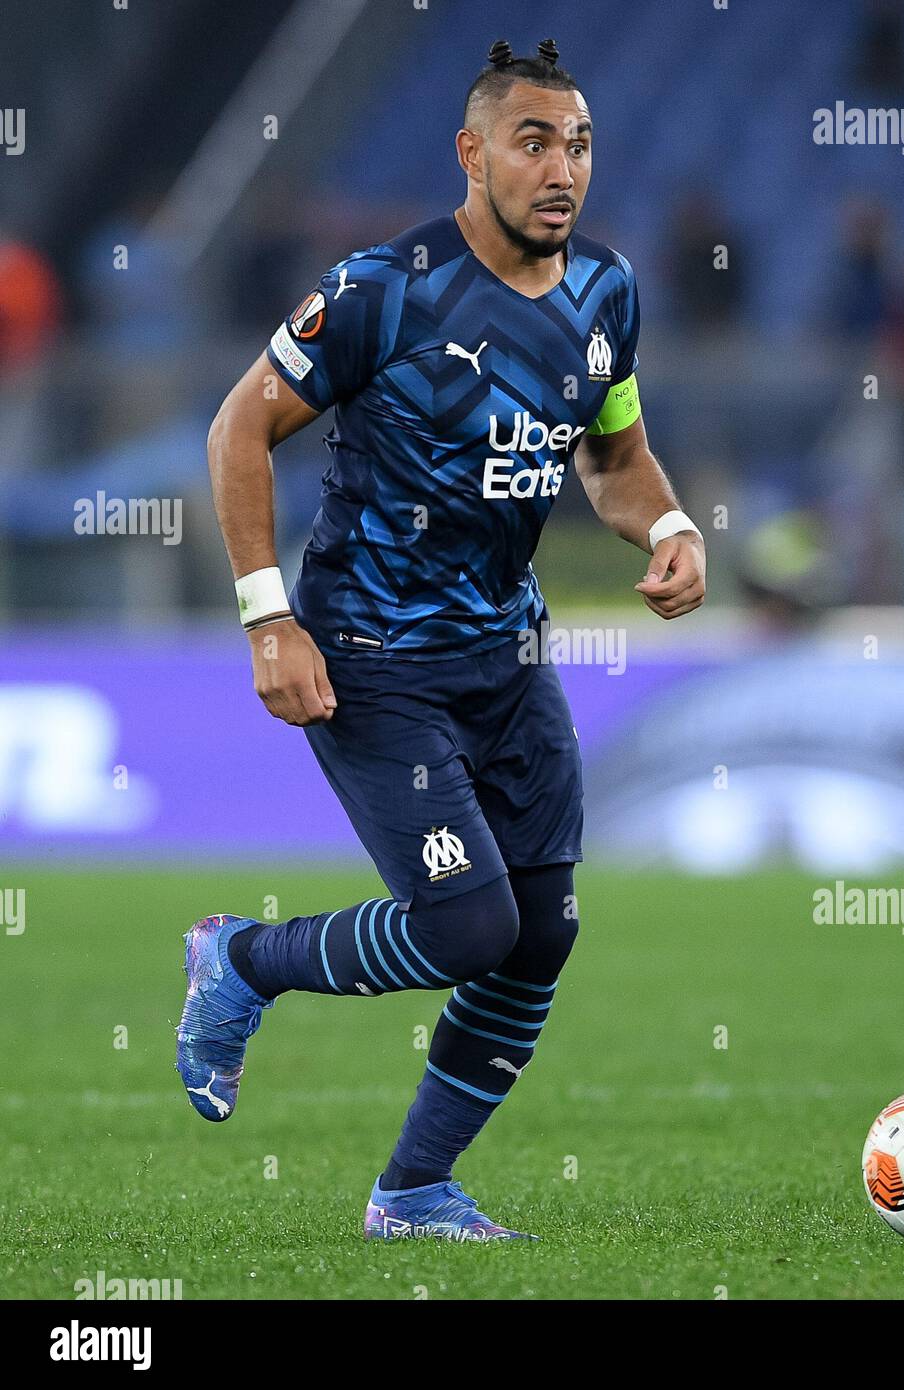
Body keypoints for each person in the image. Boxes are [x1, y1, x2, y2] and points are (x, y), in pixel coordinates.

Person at [177, 38, 705, 1243]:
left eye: (576, 143)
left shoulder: (605, 294)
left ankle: (413, 1190)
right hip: (370, 652)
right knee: (470, 926)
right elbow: (237, 427)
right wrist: (270, 618)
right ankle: (243, 960)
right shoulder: (385, 290)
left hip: (508, 657)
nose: (560, 166)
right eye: (532, 141)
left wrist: (666, 524)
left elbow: (613, 454)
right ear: (471, 154)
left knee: (542, 931)